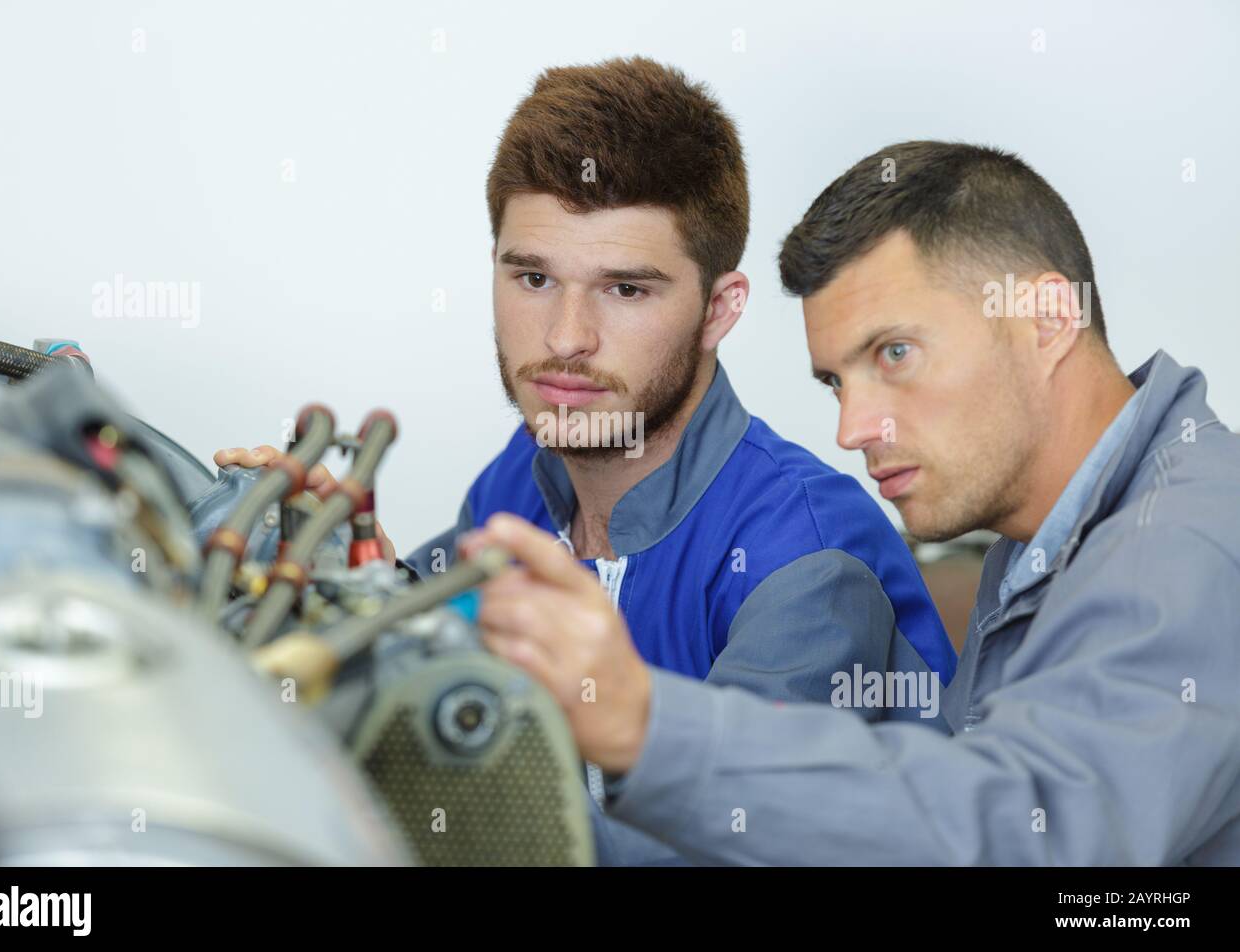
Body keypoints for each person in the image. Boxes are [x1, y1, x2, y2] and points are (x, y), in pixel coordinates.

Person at [200, 63, 955, 865]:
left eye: (625, 291)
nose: (565, 339)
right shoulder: (524, 476)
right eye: (532, 277)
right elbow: (447, 640)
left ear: (719, 310)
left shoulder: (804, 563)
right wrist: (358, 581)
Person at [461, 140, 1240, 865]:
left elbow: (1036, 837)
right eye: (837, 382)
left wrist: (649, 727)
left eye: (893, 354)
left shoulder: (1182, 544)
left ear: (1044, 317)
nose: (852, 429)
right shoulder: (1052, 534)